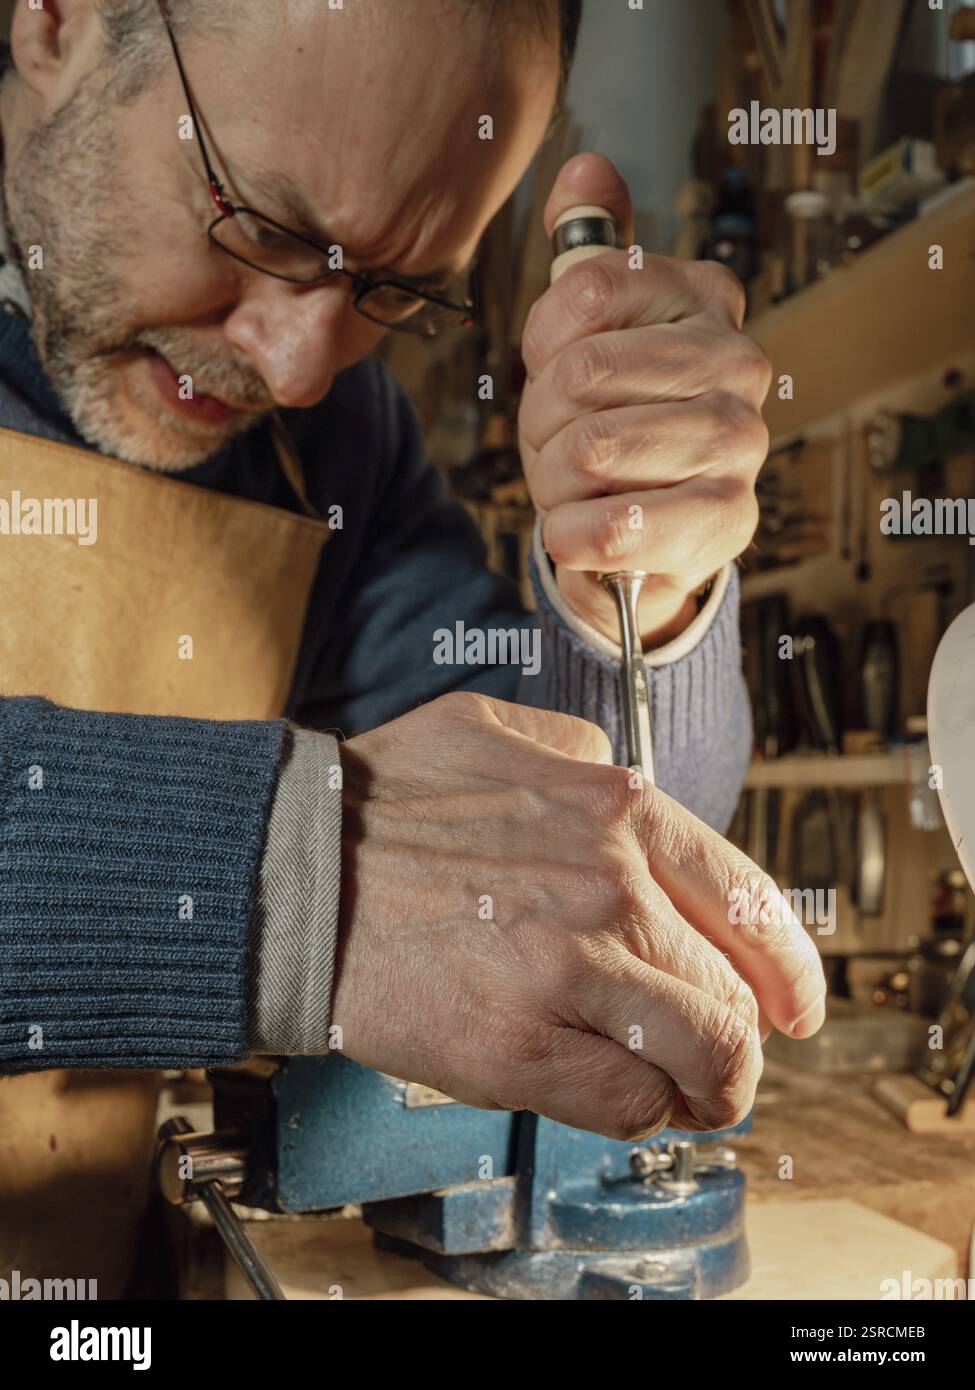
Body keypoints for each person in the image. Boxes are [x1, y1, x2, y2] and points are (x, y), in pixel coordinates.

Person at [0, 0, 824, 1288]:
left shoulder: (335, 449)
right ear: (55, 22)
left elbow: (588, 860)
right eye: (264, 228)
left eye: (393, 290)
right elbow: (359, 860)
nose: (297, 366)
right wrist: (288, 871)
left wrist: (646, 579)